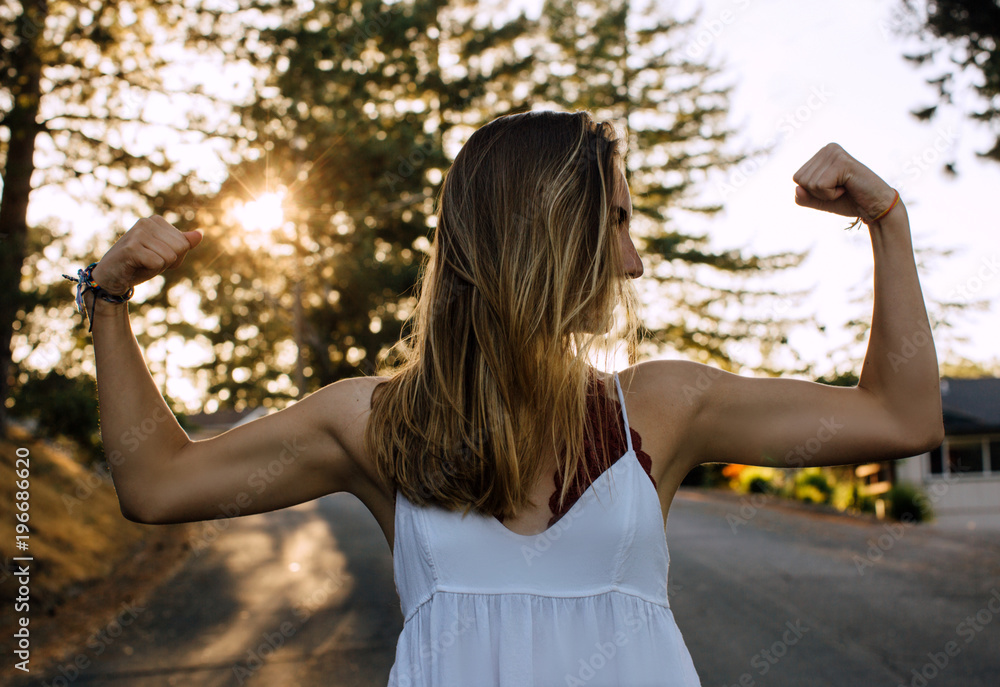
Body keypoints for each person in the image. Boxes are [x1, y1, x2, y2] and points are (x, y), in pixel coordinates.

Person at [74, 109, 943, 686]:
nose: (634, 259)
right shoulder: (373, 422)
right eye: (617, 221)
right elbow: (156, 483)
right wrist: (107, 306)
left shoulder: (666, 406)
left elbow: (902, 416)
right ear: (546, 231)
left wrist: (887, 221)